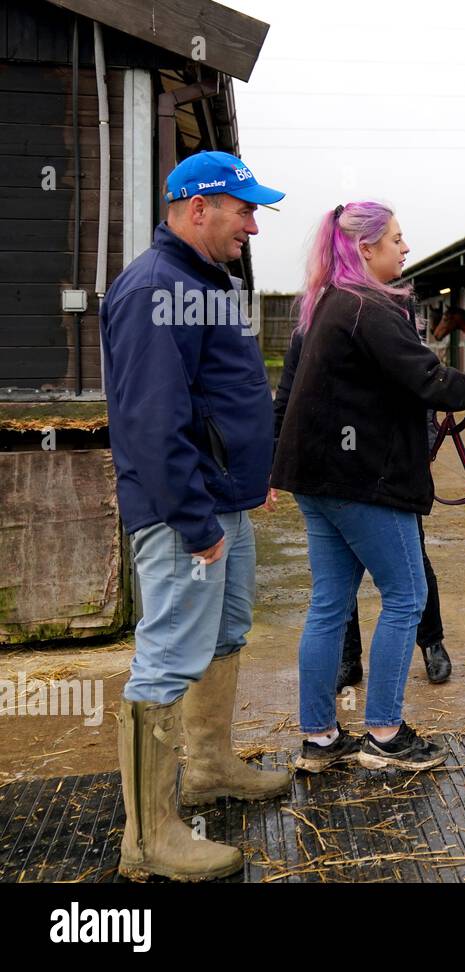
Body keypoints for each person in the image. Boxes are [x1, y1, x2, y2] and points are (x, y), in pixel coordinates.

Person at [271, 201, 465, 773]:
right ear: (365, 248)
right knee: (406, 596)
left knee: (328, 604)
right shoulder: (370, 307)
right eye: (396, 238)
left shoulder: (327, 304)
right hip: (361, 480)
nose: (405, 247)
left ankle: (319, 739)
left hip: (317, 480)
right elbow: (431, 381)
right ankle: (386, 735)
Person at [100, 151, 289, 882]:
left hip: (222, 502)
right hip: (187, 514)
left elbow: (216, 398)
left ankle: (207, 769)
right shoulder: (156, 287)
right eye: (243, 210)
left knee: (224, 631)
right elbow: (152, 423)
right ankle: (149, 838)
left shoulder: (202, 282)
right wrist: (196, 521)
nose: (252, 225)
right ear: (198, 206)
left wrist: (249, 482)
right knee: (169, 655)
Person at [272, 314, 451, 692]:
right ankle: (350, 660)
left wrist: (423, 446)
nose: (403, 250)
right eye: (396, 247)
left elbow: (423, 386)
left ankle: (432, 642)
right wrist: (272, 460)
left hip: (388, 470)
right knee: (348, 581)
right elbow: (288, 398)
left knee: (411, 560)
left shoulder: (391, 316)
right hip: (339, 473)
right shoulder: (310, 328)